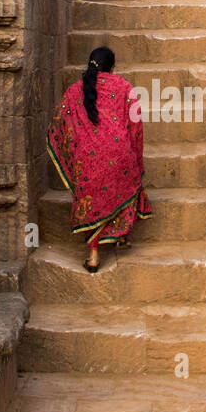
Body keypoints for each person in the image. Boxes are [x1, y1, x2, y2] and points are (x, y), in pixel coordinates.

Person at [46, 46, 151, 272]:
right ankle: (121, 235)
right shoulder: (124, 87)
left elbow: (58, 125)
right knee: (127, 182)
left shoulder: (74, 91)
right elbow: (136, 126)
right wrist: (135, 157)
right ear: (112, 67)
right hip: (119, 153)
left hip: (87, 161)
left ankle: (93, 256)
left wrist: (75, 150)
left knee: (92, 200)